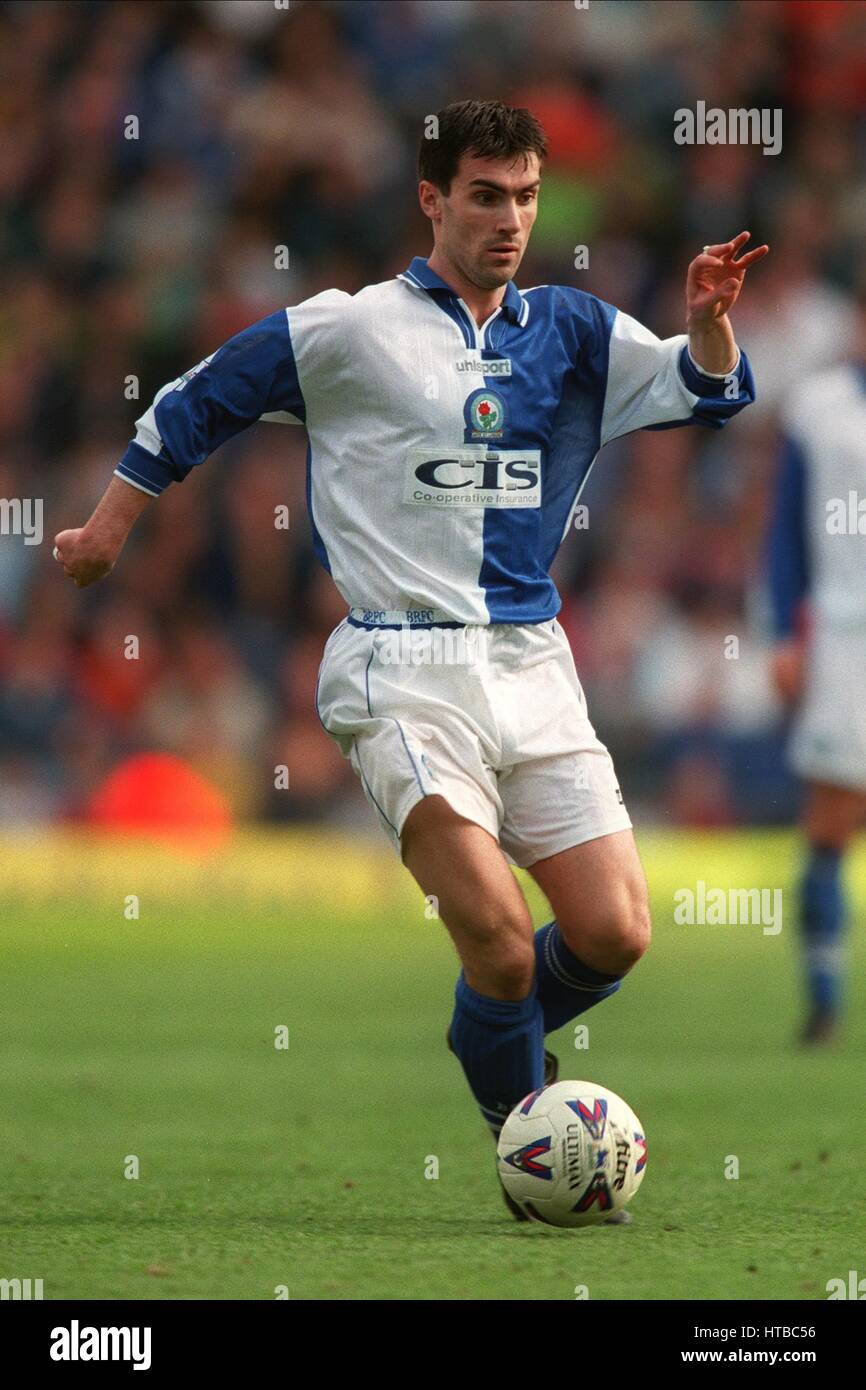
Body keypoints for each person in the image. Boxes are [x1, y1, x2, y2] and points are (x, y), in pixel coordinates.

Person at [55, 99, 766, 1220]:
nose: (510, 219)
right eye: (485, 195)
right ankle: (528, 1136)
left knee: (614, 931)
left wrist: (710, 322)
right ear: (432, 200)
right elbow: (190, 404)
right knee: (492, 936)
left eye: (526, 197)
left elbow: (707, 391)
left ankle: (490, 1027)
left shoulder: (574, 332)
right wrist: (106, 529)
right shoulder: (347, 329)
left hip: (532, 662)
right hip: (398, 666)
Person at [768, 284, 866, 1046]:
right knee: (831, 819)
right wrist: (782, 635)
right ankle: (825, 996)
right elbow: (785, 536)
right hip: (843, 636)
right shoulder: (818, 406)